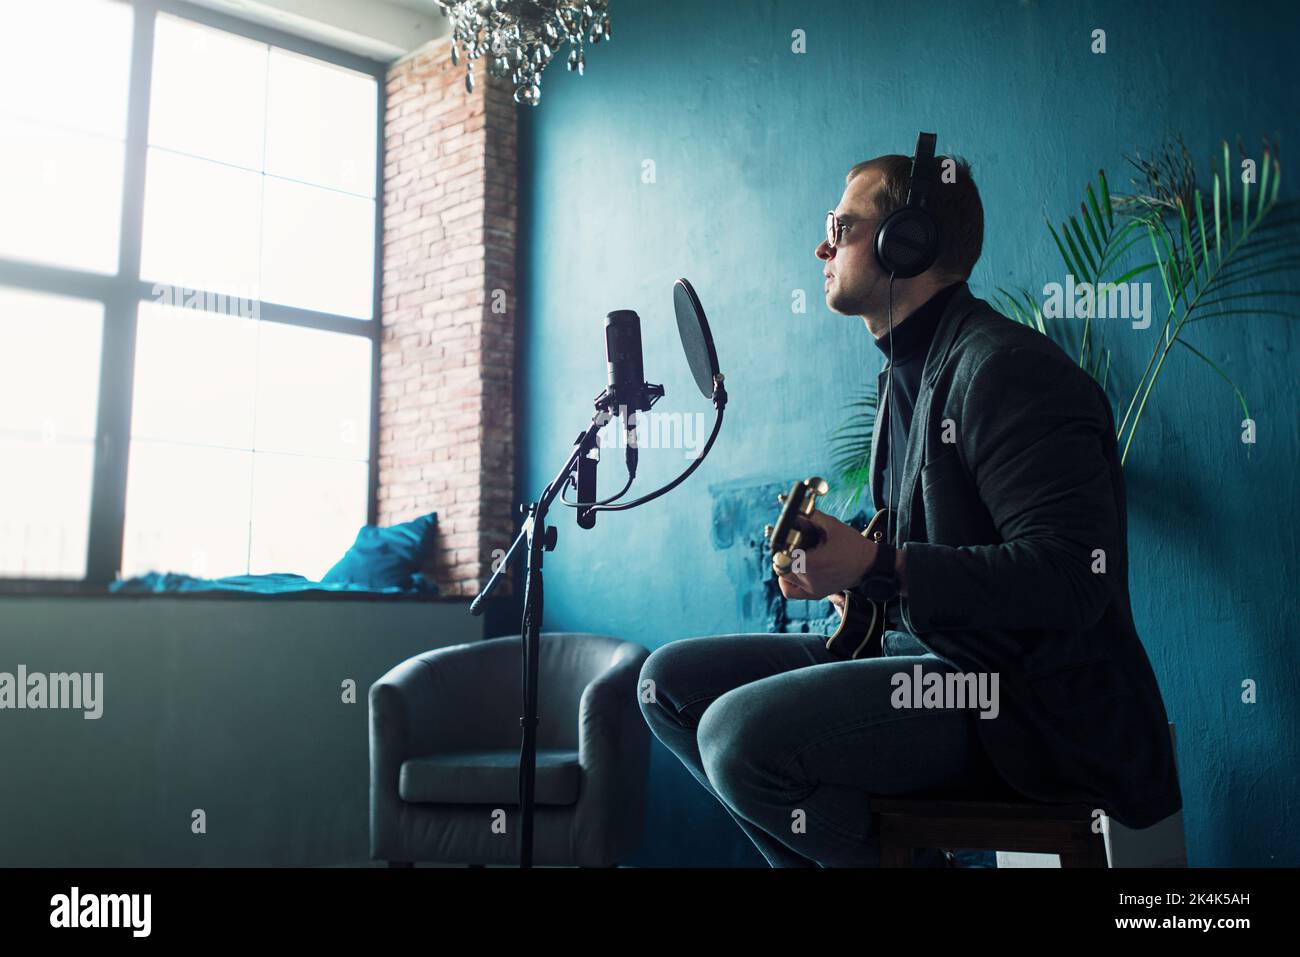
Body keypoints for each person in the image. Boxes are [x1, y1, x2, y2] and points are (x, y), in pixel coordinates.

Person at [637, 144, 1183, 867]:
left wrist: (882, 563)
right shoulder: (905, 375)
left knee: (736, 736)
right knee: (667, 684)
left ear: (908, 242)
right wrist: (859, 579)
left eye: (843, 225)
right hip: (919, 660)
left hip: (1018, 704)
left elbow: (1070, 578)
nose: (821, 244)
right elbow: (920, 564)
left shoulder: (1005, 369)